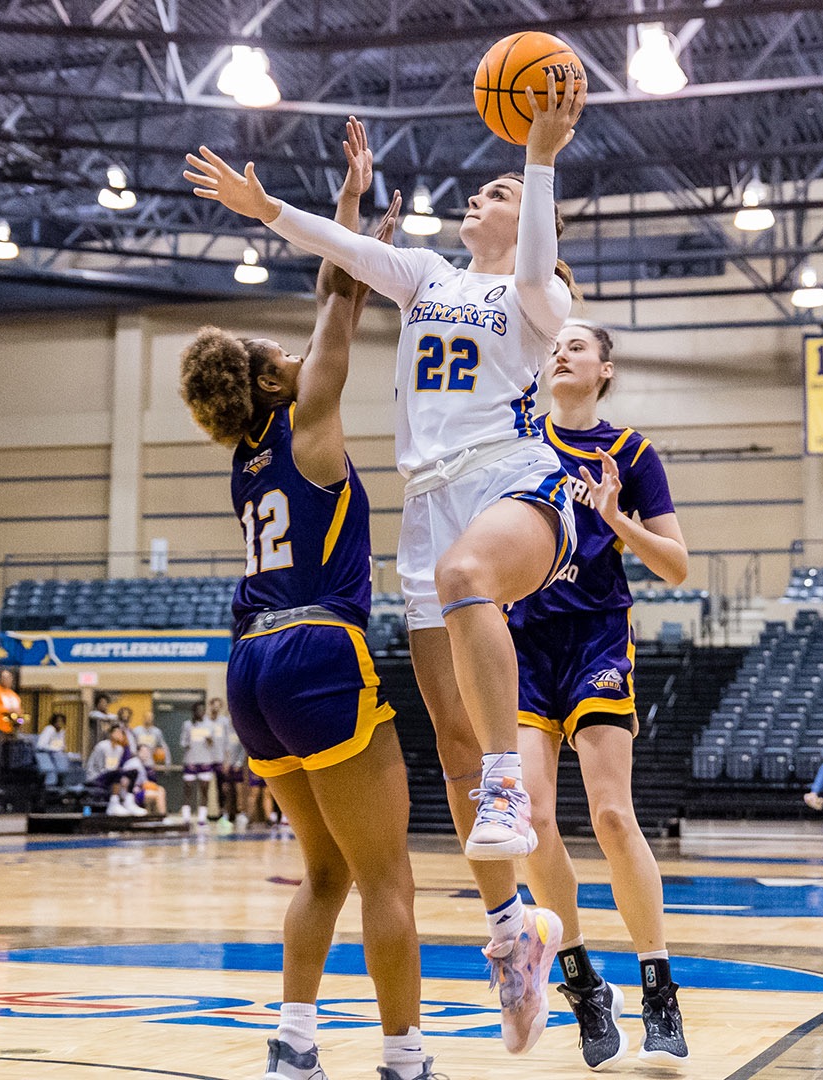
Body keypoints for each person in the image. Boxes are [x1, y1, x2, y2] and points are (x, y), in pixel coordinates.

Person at [189, 79, 586, 1052]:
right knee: (447, 745)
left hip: (508, 476)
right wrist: (276, 211)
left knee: (468, 594)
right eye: (488, 190)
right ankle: (511, 938)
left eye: (498, 194)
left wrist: (536, 157)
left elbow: (521, 259)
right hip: (427, 506)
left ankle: (509, 782)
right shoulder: (430, 276)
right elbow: (345, 267)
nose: (481, 200)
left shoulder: (540, 291)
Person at [178, 115, 430, 1080]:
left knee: (323, 870)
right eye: (272, 350)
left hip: (249, 669)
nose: (291, 349)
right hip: (319, 650)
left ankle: (292, 1045)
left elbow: (339, 293)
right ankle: (405, 1060)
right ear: (270, 380)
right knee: (385, 876)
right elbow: (333, 304)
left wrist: (367, 238)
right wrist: (353, 210)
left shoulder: (247, 462)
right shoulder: (310, 420)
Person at [507, 322, 693, 1068]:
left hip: (594, 637)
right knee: (534, 817)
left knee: (613, 815)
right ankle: (583, 982)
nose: (561, 351)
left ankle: (660, 991)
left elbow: (677, 565)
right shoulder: (516, 436)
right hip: (521, 637)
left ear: (604, 369)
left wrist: (618, 523)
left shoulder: (632, 452)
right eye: (556, 345)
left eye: (577, 346)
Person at [86, 722, 148, 816]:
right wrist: (118, 777)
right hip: (96, 777)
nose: (119, 734)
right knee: (118, 773)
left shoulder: (120, 749)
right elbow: (98, 768)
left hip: (112, 775)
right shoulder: (102, 746)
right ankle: (113, 804)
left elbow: (116, 768)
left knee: (133, 772)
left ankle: (129, 802)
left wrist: (122, 778)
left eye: (121, 733)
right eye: (116, 732)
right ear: (111, 734)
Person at [180, 699, 222, 825]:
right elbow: (182, 742)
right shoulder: (187, 725)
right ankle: (186, 816)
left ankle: (202, 817)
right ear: (194, 711)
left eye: (203, 710)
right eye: (198, 710)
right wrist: (189, 742)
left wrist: (210, 741)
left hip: (205, 760)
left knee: (204, 790)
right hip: (191, 760)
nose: (201, 712)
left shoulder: (209, 725)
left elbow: (214, 744)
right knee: (188, 789)